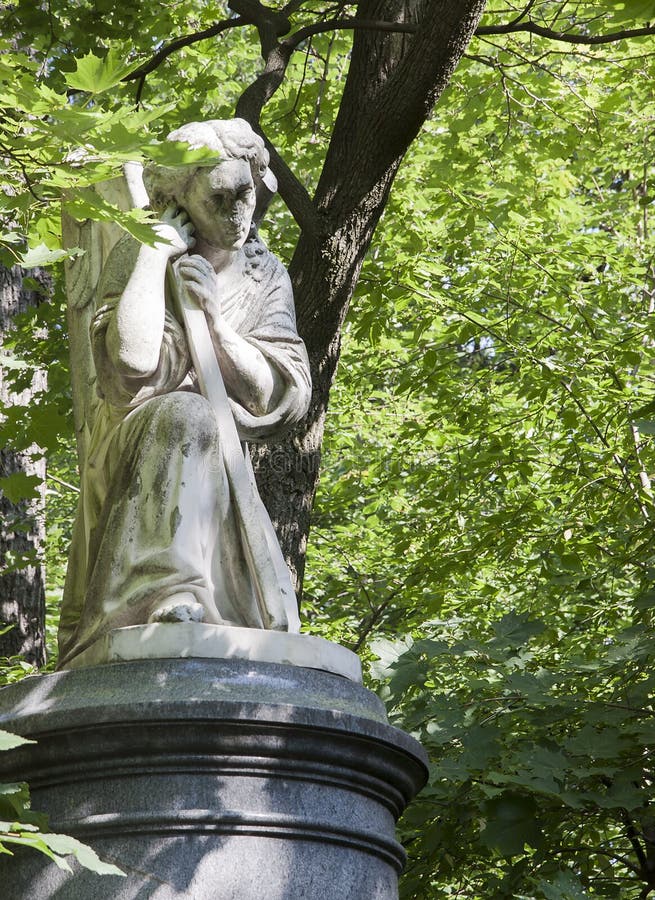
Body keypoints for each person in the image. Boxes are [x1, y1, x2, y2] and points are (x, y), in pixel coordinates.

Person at [57, 119, 311, 668]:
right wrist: (155, 255)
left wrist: (219, 331)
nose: (237, 212)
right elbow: (130, 363)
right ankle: (164, 589)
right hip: (135, 450)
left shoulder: (265, 275)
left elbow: (277, 394)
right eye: (217, 198)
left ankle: (204, 598)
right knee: (185, 411)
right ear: (179, 200)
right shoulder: (141, 255)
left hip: (217, 455)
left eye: (244, 192)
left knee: (197, 417)